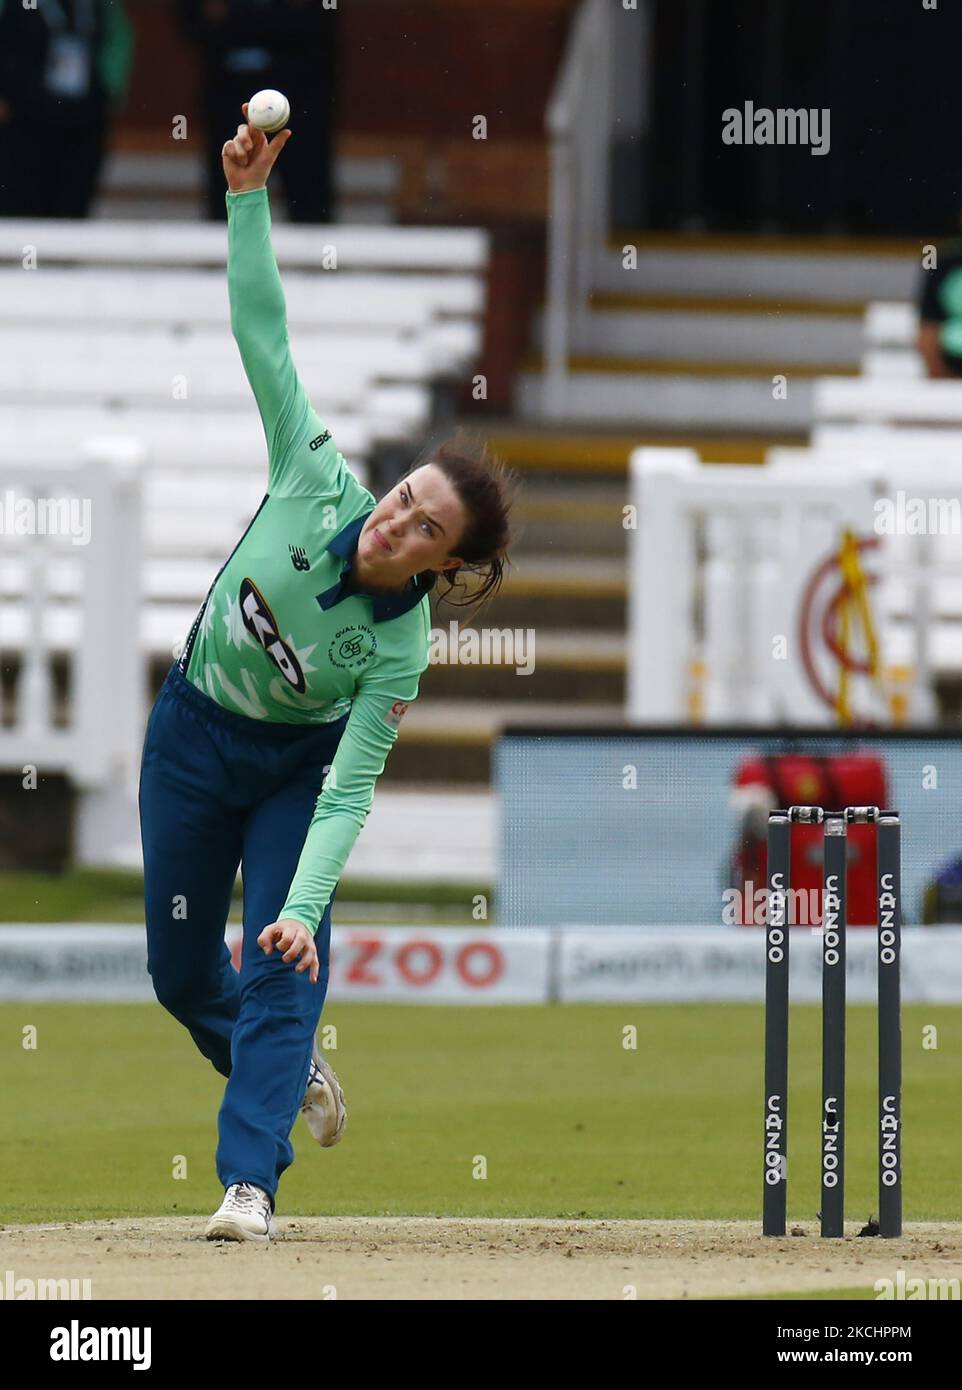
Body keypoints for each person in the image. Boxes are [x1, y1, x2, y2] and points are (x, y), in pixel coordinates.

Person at [138, 104, 518, 1244]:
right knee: (176, 968)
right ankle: (294, 1067)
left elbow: (351, 788)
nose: (397, 522)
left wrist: (300, 910)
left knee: (277, 960)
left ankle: (249, 1182)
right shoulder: (314, 472)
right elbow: (264, 331)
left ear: (445, 566)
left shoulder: (401, 648)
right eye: (407, 498)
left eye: (424, 530)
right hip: (192, 730)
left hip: (295, 769)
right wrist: (245, 195)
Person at [173, 0, 338, 223]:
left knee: (309, 204)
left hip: (299, 104)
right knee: (227, 203)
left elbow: (313, 22)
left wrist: (235, 18)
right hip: (227, 100)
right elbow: (194, 20)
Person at [0, 0, 134, 218]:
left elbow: (117, 38)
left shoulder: (99, 5)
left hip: (81, 120)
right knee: (20, 208)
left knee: (71, 209)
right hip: (22, 118)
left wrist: (110, 92)